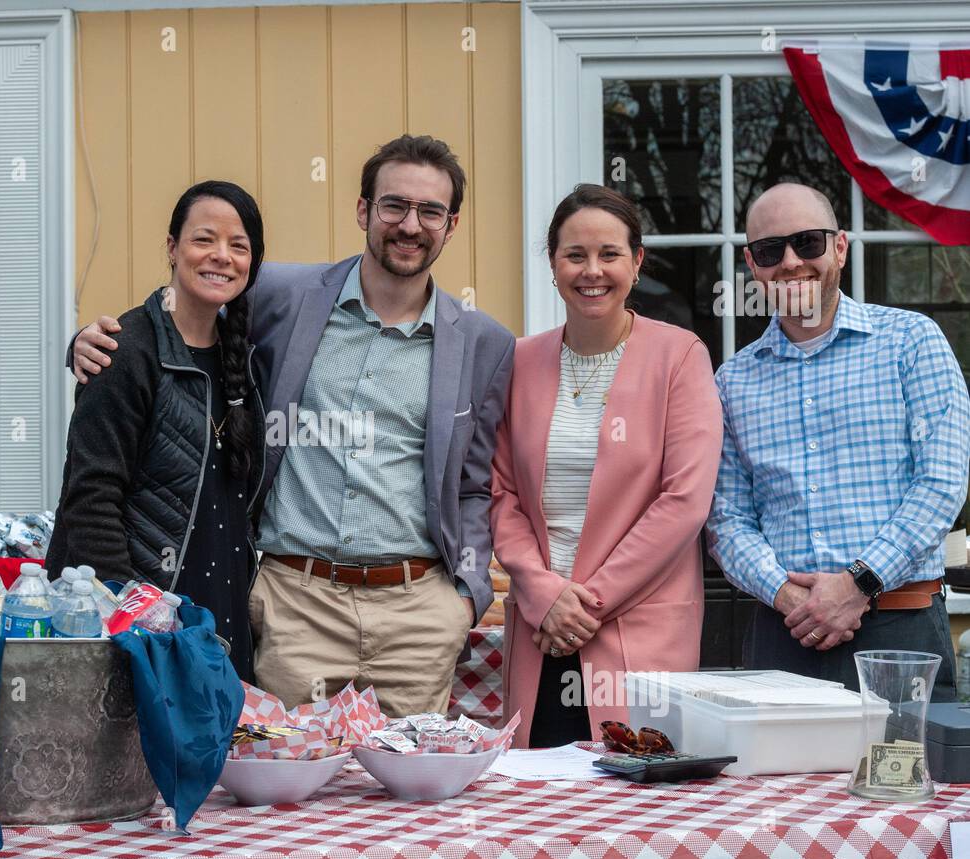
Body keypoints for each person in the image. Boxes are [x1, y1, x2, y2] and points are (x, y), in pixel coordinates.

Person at [70, 135, 515, 716]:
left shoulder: (484, 343)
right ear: (363, 211)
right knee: (291, 794)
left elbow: (474, 485)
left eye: (430, 211)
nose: (410, 224)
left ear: (450, 225)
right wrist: (93, 345)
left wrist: (466, 596)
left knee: (409, 801)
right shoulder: (285, 295)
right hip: (297, 606)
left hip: (418, 617)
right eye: (394, 205)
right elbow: (184, 313)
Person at [706, 182, 970, 697]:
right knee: (772, 783)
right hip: (782, 635)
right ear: (752, 265)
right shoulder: (732, 381)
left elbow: (941, 484)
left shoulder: (911, 342)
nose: (790, 262)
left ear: (840, 247)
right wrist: (786, 596)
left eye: (807, 242)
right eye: (769, 250)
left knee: (903, 779)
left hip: (901, 630)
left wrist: (858, 585)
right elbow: (725, 518)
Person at [490, 184, 723, 747]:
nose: (592, 271)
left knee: (638, 808)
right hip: (542, 631)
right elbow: (500, 494)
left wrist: (584, 604)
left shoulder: (679, 356)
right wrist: (545, 596)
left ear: (637, 262)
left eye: (609, 254)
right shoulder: (519, 361)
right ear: (552, 264)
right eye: (574, 255)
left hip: (637, 629)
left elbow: (684, 500)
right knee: (538, 805)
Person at [45, 180, 266, 680]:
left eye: (239, 246)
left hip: (224, 609)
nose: (221, 257)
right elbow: (90, 498)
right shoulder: (125, 352)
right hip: (145, 618)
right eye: (203, 239)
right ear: (171, 248)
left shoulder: (247, 362)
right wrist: (134, 620)